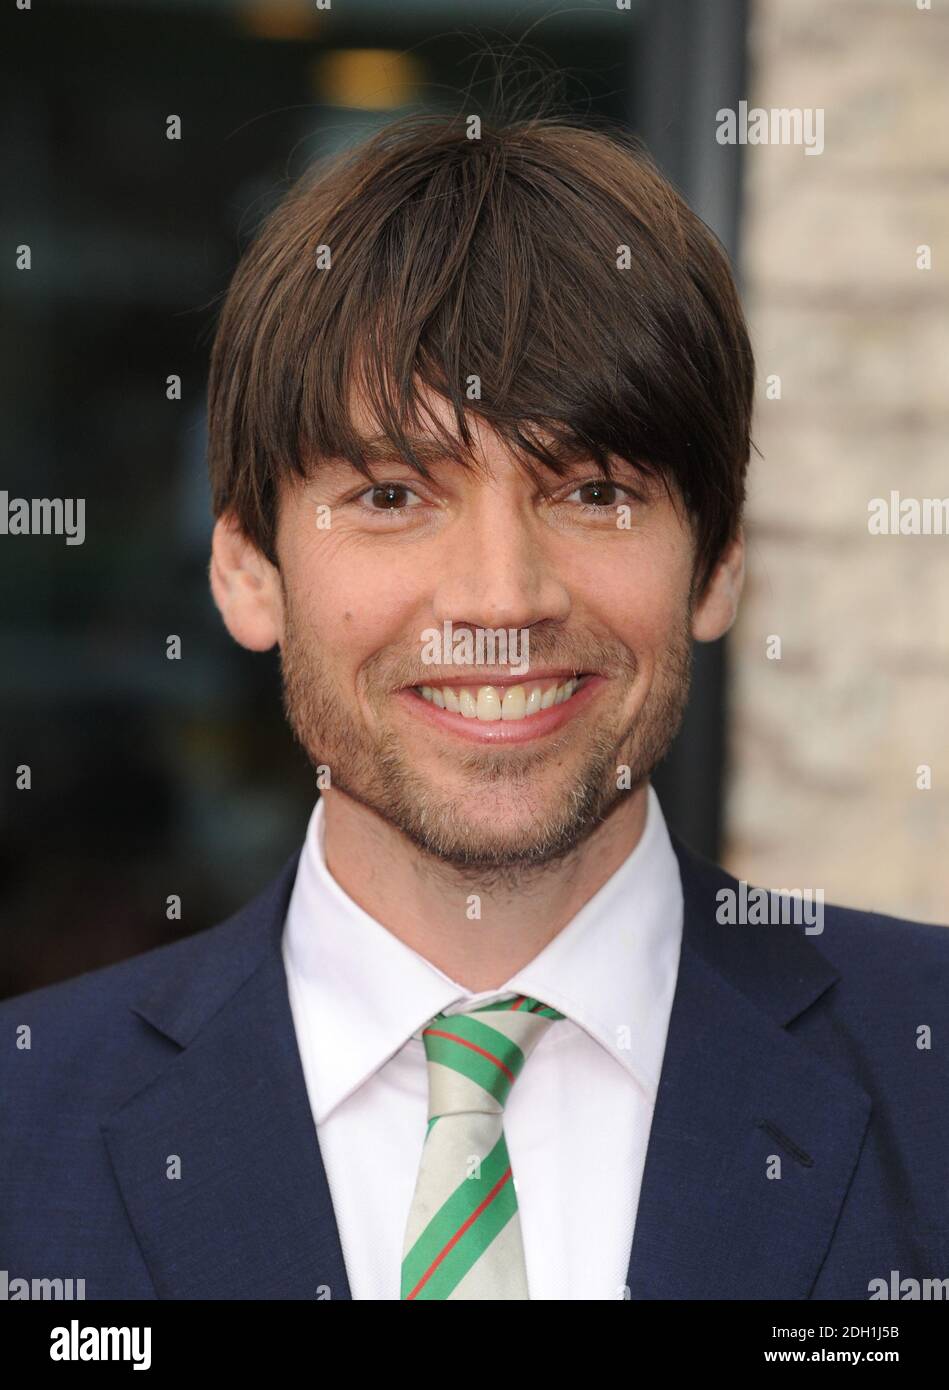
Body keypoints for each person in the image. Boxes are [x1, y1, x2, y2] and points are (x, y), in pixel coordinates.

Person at [2, 110, 948, 1302]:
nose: (502, 597)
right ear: (247, 565)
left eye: (593, 490)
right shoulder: (21, 1135)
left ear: (715, 566)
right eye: (395, 494)